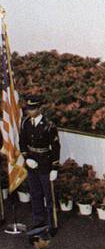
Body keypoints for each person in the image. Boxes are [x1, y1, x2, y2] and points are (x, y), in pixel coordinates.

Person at [19, 96, 60, 230]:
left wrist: (54, 167)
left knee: (48, 195)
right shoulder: (25, 122)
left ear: (39, 108)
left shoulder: (49, 125)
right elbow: (22, 143)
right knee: (35, 194)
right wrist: (27, 158)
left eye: (32, 109)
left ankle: (51, 224)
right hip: (32, 162)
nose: (29, 112)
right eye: (28, 109)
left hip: (45, 163)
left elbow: (55, 147)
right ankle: (38, 221)